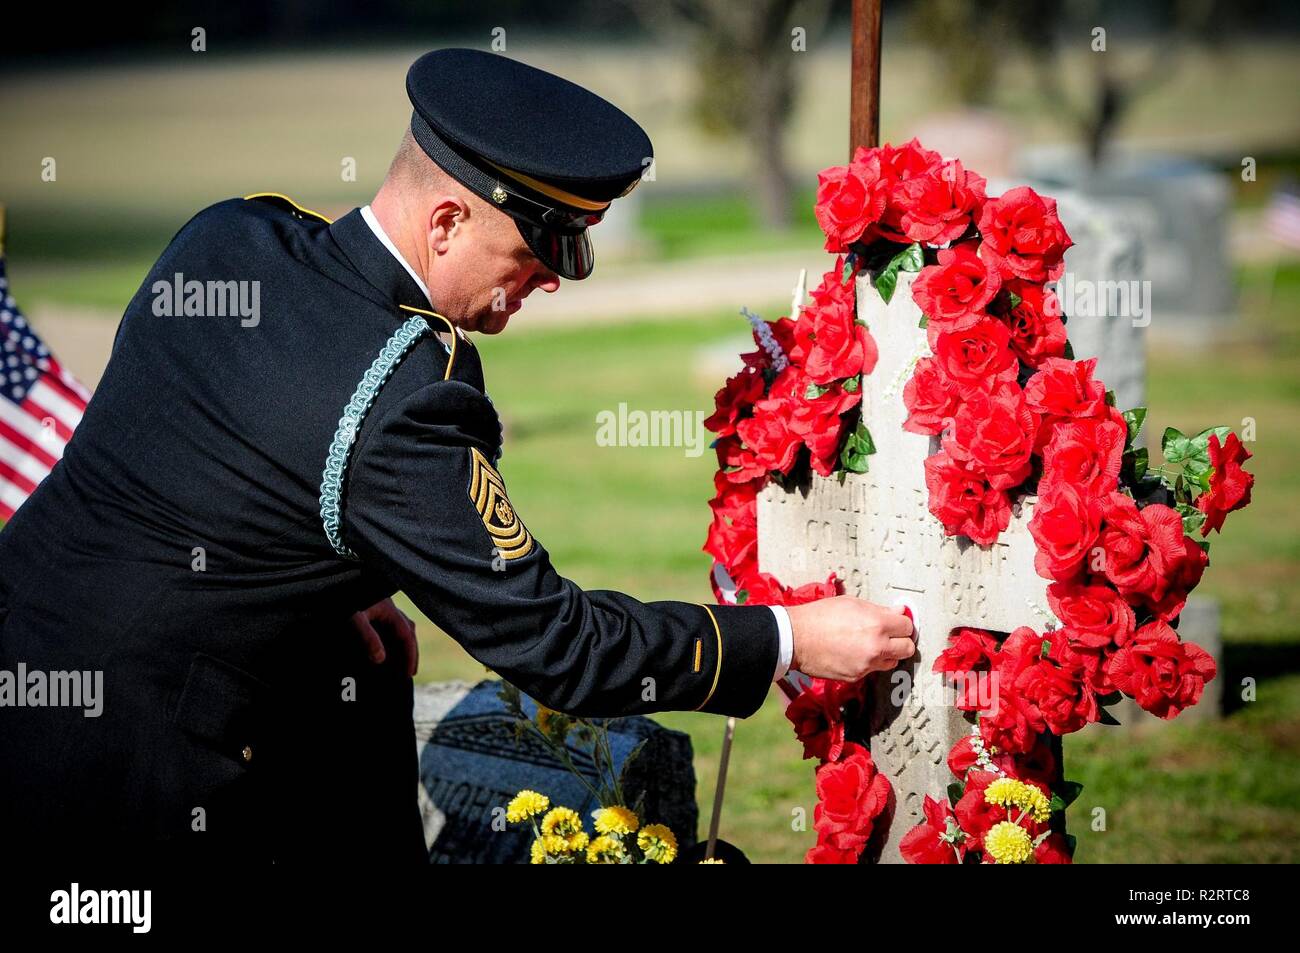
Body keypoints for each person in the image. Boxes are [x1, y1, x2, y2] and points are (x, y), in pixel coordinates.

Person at [0, 48, 914, 864]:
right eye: (534, 248)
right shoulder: (406, 390)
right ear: (444, 222)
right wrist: (791, 636)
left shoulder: (229, 236)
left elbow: (209, 449)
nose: (553, 277)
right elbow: (556, 642)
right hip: (141, 783)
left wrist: (342, 578)